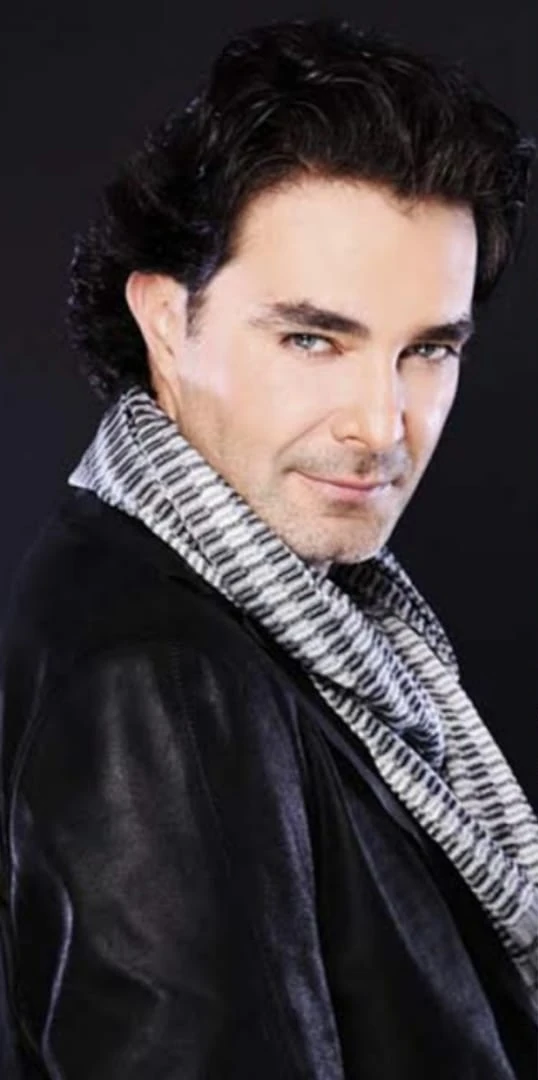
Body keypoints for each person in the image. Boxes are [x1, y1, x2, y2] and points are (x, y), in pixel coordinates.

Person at [0, 16, 537, 1079]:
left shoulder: (297, 615)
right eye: (311, 339)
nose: (380, 426)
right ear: (167, 322)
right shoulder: (158, 683)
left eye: (428, 350)